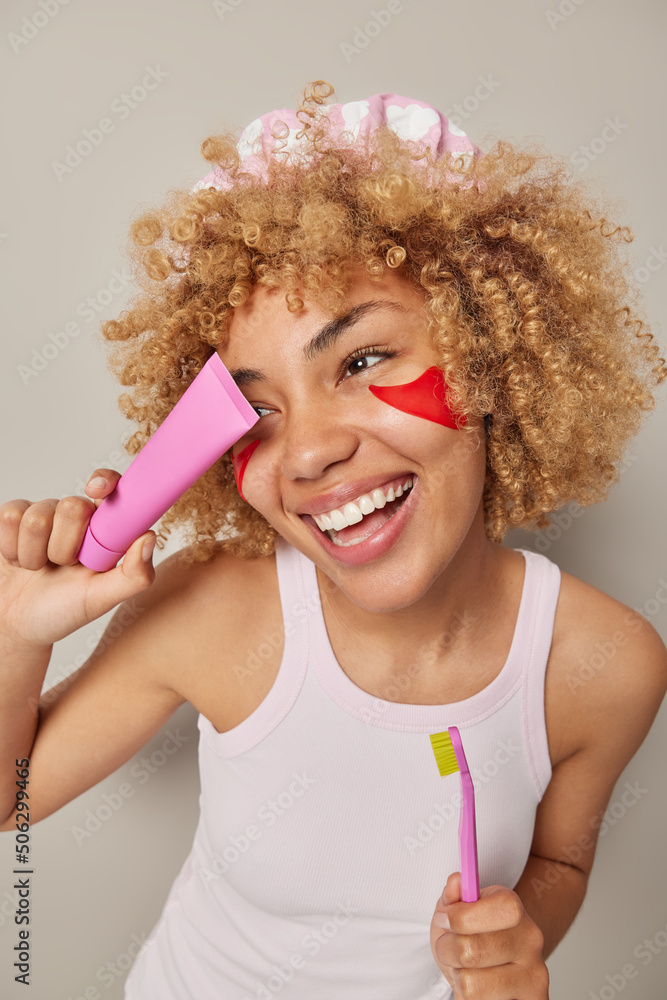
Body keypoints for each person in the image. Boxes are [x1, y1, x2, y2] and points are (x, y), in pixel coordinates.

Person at [1, 80, 666, 1000]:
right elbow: (12, 802)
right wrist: (15, 637)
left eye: (361, 360)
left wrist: (519, 940)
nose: (308, 451)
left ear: (491, 354)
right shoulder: (214, 607)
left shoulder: (607, 665)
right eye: (257, 408)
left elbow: (559, 863)